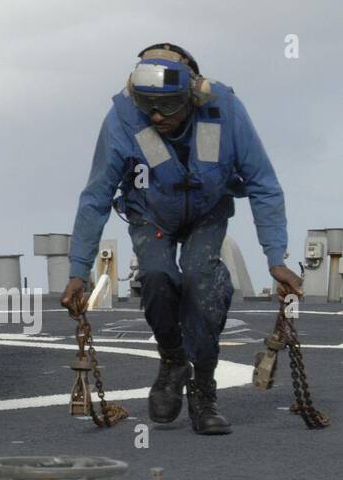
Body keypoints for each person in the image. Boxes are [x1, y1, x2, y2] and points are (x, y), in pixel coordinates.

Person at [61, 42, 302, 434]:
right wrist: (78, 269)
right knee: (155, 276)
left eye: (167, 107)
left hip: (207, 213)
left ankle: (204, 392)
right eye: (147, 106)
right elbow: (96, 196)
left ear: (192, 97)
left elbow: (263, 184)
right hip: (150, 212)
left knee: (201, 283)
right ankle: (173, 359)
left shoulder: (225, 110)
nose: (155, 116)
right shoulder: (123, 119)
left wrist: (276, 259)